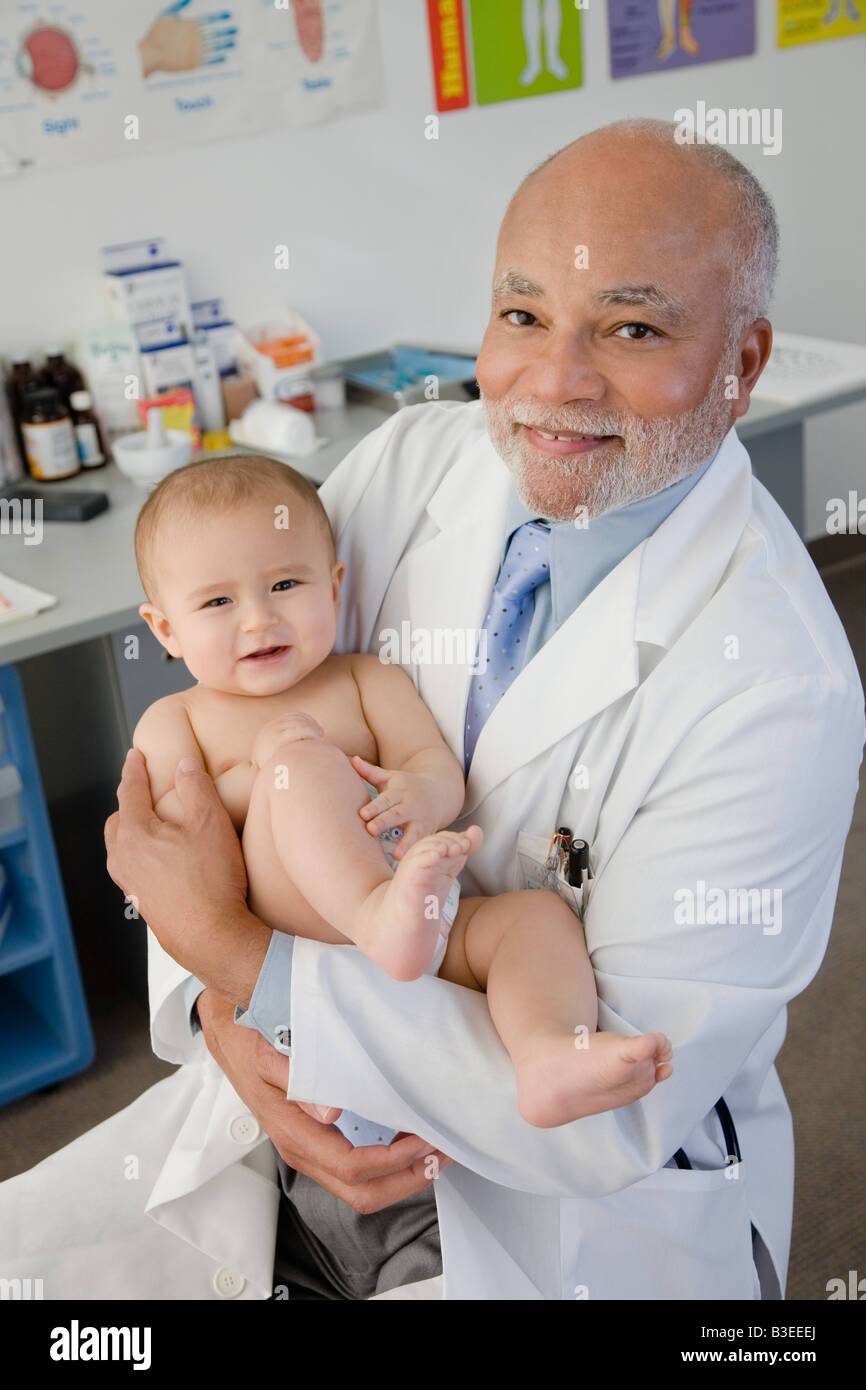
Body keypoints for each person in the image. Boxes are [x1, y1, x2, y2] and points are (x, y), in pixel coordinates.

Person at [1, 118, 862, 1301]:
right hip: (278, 1115)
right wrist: (220, 1015)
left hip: (555, 1230)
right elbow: (206, 766)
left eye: (630, 325)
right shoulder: (411, 466)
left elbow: (612, 1115)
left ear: (742, 359)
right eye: (521, 316)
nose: (553, 382)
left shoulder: (776, 688)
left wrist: (245, 961)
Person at [131, 454, 673, 1127]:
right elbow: (181, 847)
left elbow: (435, 766)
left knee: (537, 922)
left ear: (334, 586)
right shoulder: (175, 721)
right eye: (218, 601)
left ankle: (546, 1053)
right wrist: (270, 765)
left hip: (429, 918)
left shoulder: (365, 678)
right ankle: (370, 925)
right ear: (164, 628)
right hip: (303, 945)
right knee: (298, 762)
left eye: (285, 584)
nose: (257, 620)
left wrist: (419, 793)